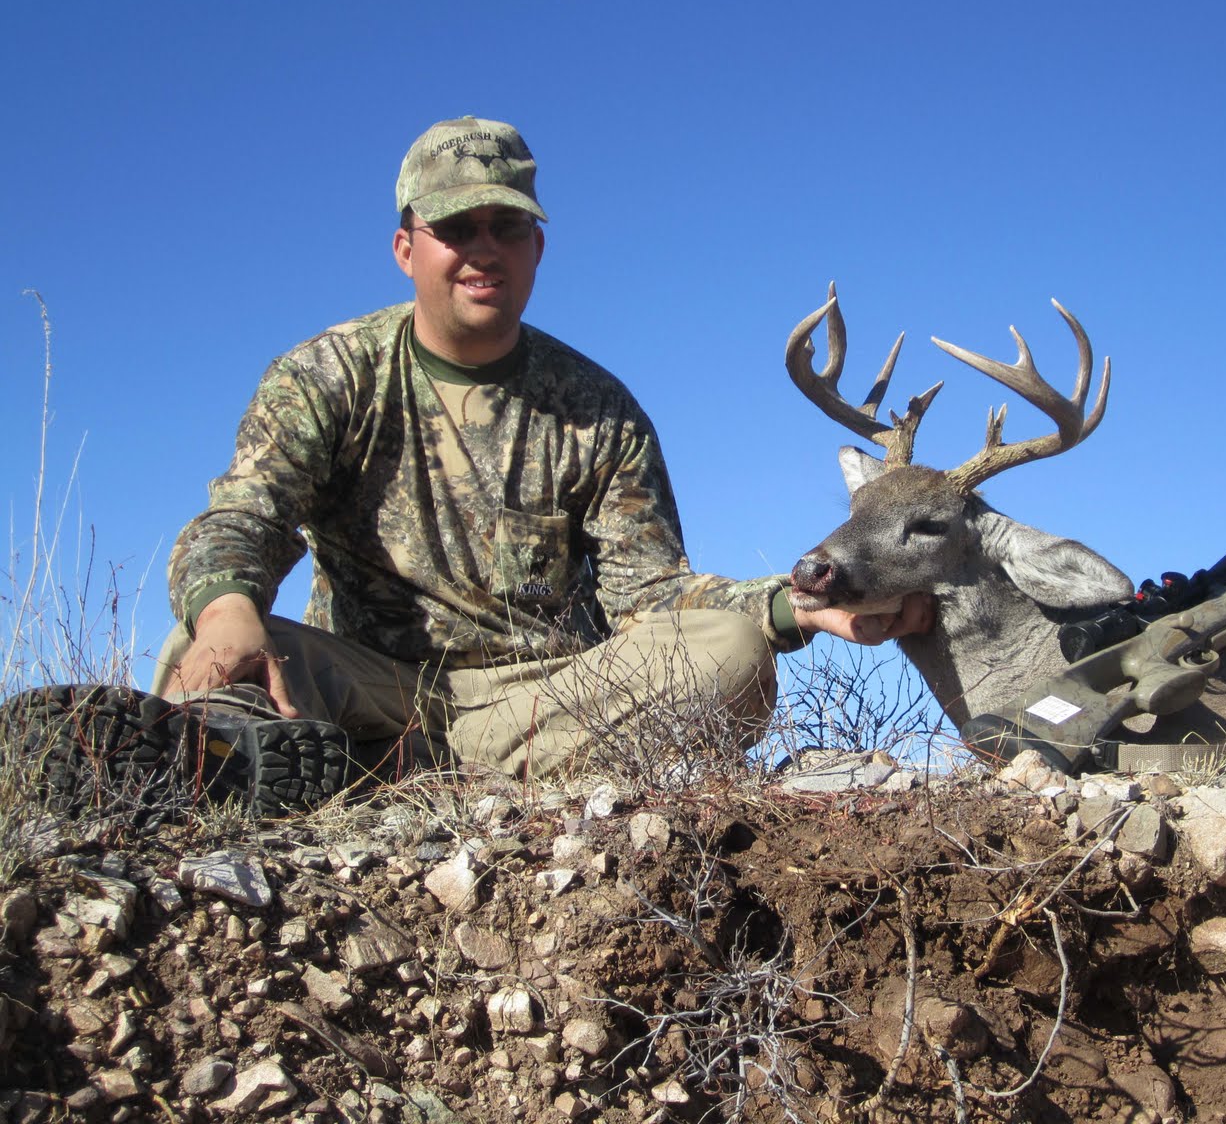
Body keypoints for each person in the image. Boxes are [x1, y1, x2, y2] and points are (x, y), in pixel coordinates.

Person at [11, 116, 930, 817]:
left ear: (537, 248)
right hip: (373, 678)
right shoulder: (327, 374)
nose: (483, 247)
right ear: (408, 245)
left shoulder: (600, 410)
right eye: (457, 226)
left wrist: (792, 606)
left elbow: (655, 599)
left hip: (548, 698)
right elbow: (243, 515)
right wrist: (227, 610)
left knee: (734, 652)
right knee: (209, 649)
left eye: (507, 226)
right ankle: (213, 765)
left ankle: (368, 773)